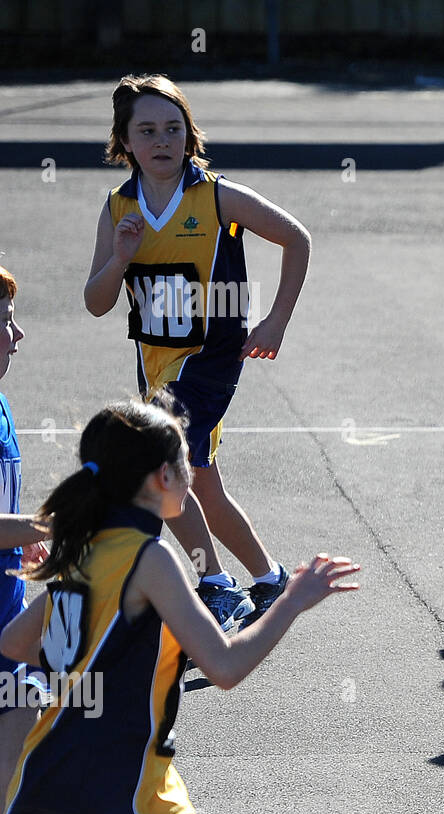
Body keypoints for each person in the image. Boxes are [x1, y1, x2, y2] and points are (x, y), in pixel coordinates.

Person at [1, 399, 359, 814]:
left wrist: (87, 667)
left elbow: (14, 643)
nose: (192, 471)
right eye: (185, 459)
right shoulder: (149, 559)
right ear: (163, 478)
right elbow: (225, 665)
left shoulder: (88, 553)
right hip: (99, 803)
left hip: (62, 791)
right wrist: (292, 600)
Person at [84, 74, 311, 631]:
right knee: (202, 480)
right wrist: (121, 258)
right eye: (148, 130)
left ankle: (215, 585)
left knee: (160, 465)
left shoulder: (215, 196)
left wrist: (275, 321)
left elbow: (296, 238)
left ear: (189, 134)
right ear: (126, 141)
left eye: (173, 128)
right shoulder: (119, 210)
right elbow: (95, 301)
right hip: (155, 360)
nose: (163, 140)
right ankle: (268, 578)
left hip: (210, 358)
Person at [0, 267, 54, 814]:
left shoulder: (3, 403)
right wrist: (55, 528)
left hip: (10, 636)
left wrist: (22, 541)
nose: (18, 335)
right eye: (4, 323)